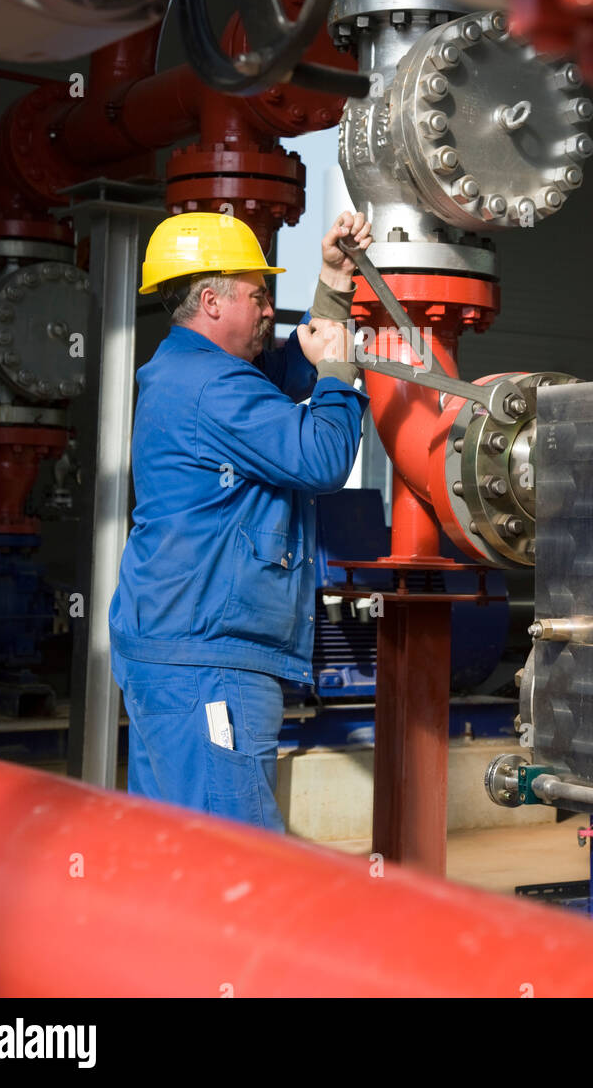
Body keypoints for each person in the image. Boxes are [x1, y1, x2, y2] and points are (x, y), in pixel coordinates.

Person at [108, 207, 372, 829]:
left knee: (178, 847)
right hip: (208, 663)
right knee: (232, 852)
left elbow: (282, 375)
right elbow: (319, 457)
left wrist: (333, 282)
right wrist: (341, 374)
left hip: (182, 652)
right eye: (258, 295)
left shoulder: (193, 372)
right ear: (211, 300)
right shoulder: (213, 388)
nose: (266, 310)